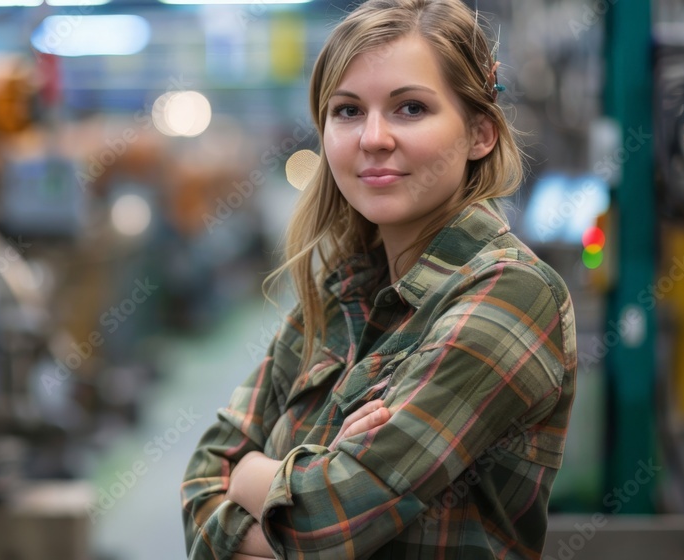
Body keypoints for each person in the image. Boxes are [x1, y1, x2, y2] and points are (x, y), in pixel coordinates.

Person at [180, 0, 577, 558]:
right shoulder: (341, 293)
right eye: (347, 111)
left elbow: (317, 524)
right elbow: (199, 484)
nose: (372, 138)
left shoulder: (511, 295)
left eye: (410, 108)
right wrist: (314, 472)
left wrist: (251, 473)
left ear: (480, 133)